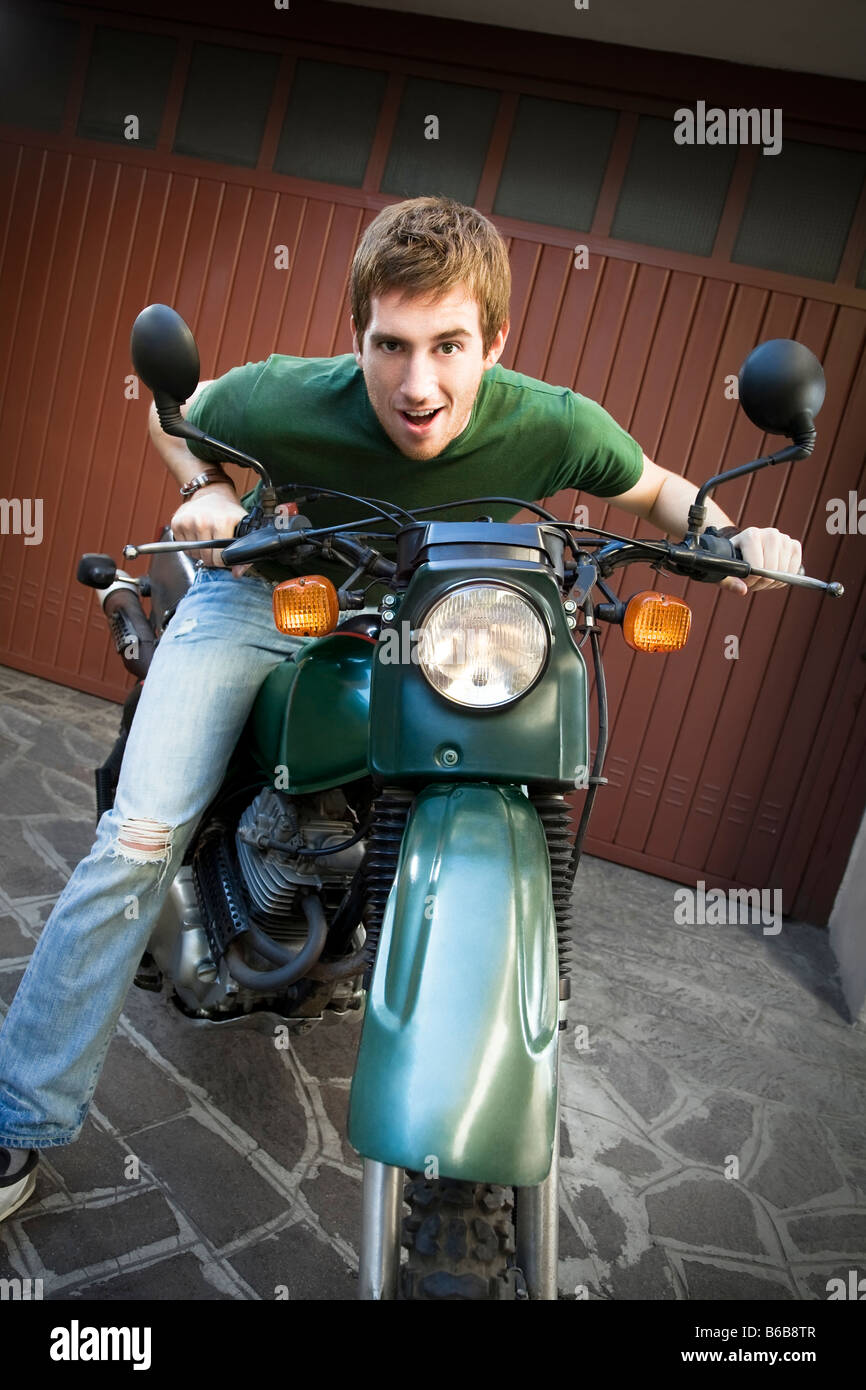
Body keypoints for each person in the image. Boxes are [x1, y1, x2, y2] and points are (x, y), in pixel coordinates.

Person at [0, 195, 802, 1222]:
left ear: (495, 341)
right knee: (136, 839)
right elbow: (171, 411)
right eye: (390, 345)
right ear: (356, 337)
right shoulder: (287, 398)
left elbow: (656, 491)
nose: (417, 384)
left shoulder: (552, 420)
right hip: (269, 598)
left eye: (448, 345)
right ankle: (21, 1116)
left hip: (445, 619)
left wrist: (737, 543)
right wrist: (205, 481)